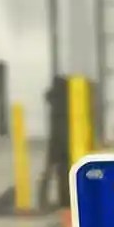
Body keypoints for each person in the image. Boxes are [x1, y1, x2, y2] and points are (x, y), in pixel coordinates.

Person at [38, 75, 70, 211]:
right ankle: (65, 200)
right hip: (64, 139)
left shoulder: (52, 97)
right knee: (63, 172)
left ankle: (42, 200)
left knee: (49, 171)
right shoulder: (66, 99)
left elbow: (47, 96)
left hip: (54, 138)